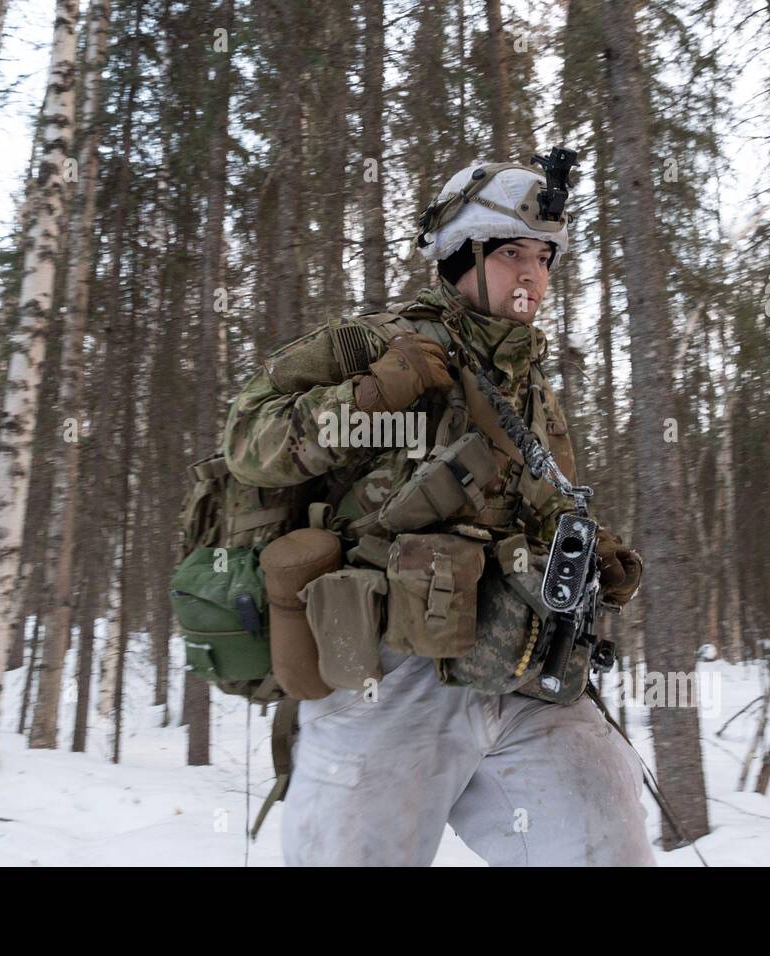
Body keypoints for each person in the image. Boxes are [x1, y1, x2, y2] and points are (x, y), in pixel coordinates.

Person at [223, 156, 655, 866]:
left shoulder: (532, 387)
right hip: (387, 677)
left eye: (544, 258)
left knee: (607, 840)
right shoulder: (372, 344)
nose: (533, 275)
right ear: (461, 255)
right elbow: (247, 441)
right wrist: (365, 398)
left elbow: (537, 507)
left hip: (517, 668)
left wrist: (589, 552)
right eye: (513, 253)